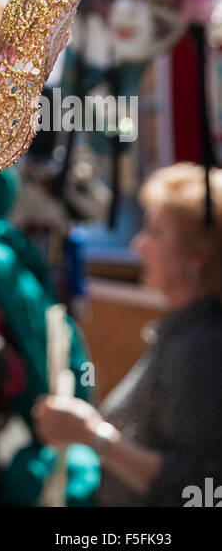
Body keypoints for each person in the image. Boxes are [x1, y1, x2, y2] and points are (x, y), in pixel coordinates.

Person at [32, 163, 222, 506]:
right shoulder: (185, 333)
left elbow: (202, 487)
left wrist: (92, 435)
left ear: (197, 258)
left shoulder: (200, 350)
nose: (138, 245)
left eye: (155, 232)